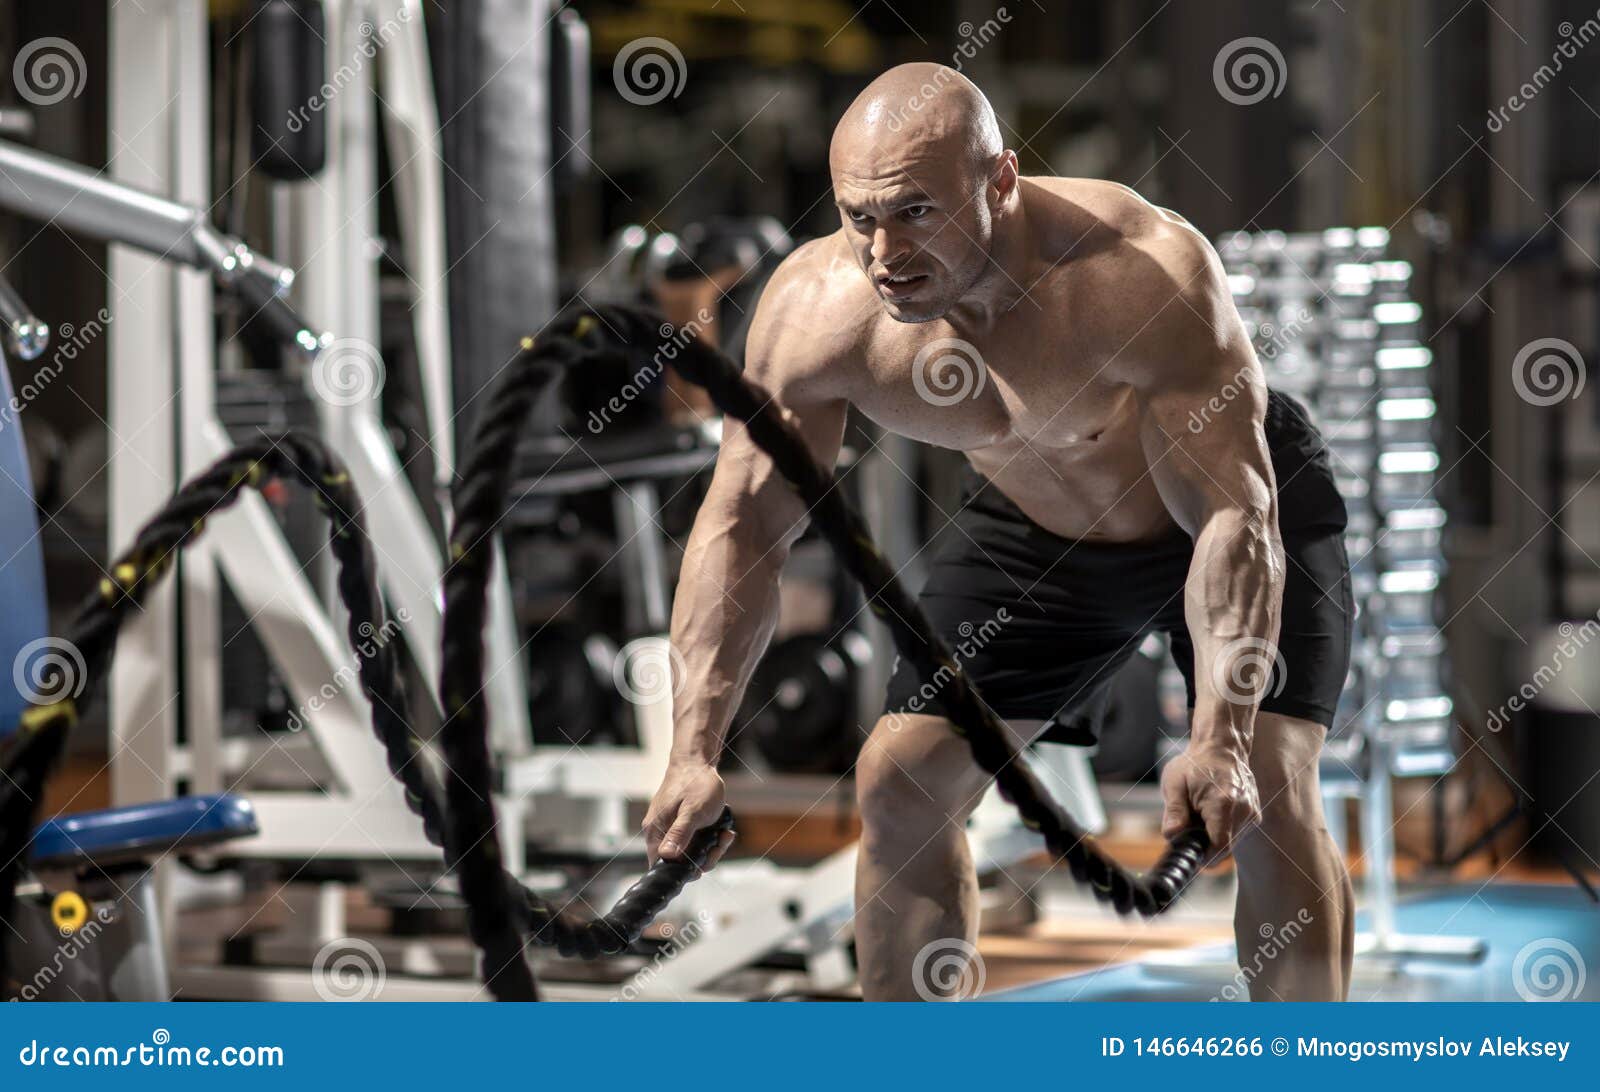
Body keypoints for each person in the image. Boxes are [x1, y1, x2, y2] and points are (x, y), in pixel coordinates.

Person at [643, 62, 1355, 1001]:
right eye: (860, 217)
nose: (884, 252)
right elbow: (744, 527)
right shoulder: (818, 315)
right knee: (900, 784)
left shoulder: (1137, 271)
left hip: (1230, 510)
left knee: (1266, 784)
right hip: (1041, 527)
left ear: (1002, 181)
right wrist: (694, 750)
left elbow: (1234, 510)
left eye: (915, 212)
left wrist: (1218, 736)